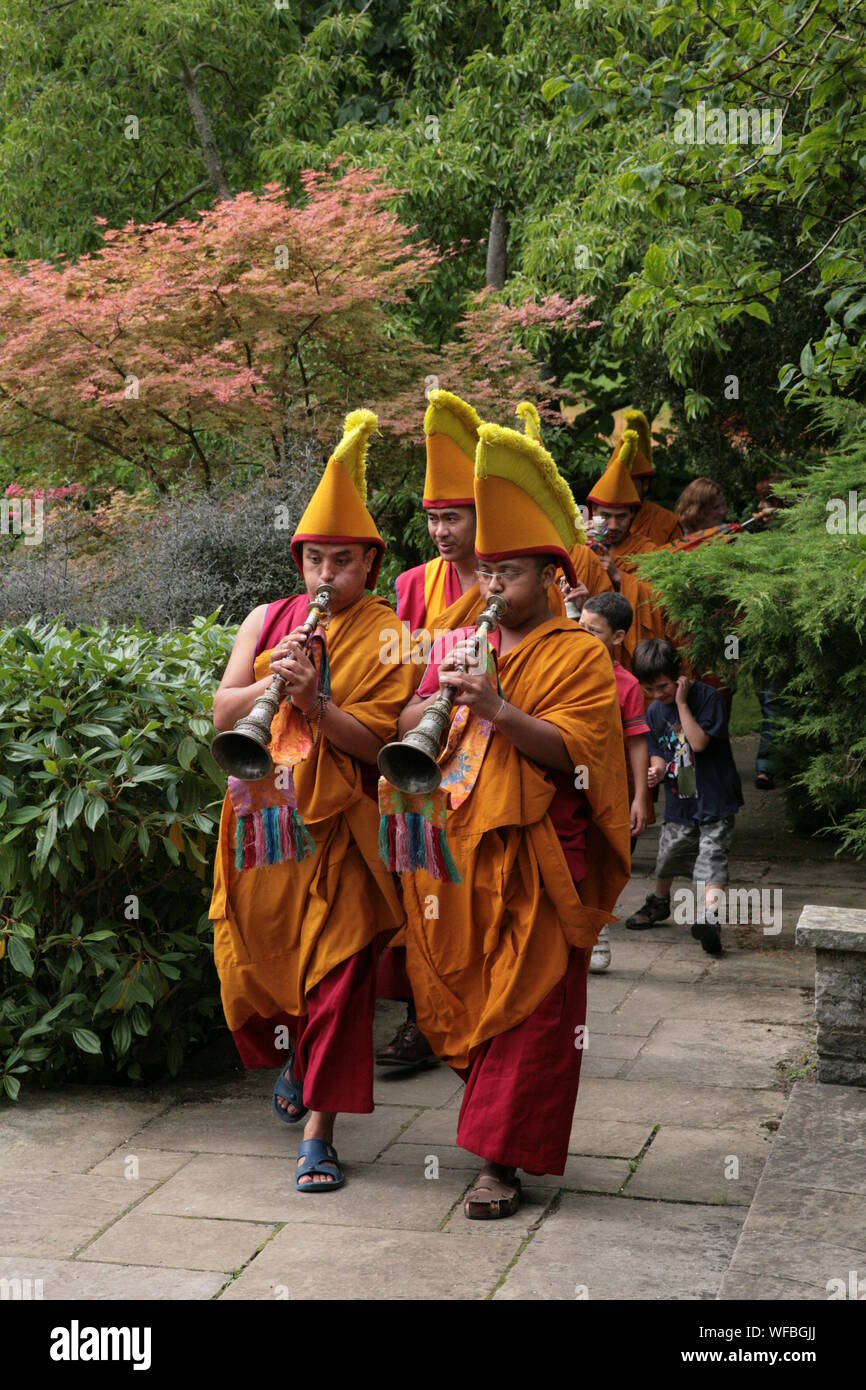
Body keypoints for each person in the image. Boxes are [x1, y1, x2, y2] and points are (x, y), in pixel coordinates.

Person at [386, 416, 630, 1218]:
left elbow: (580, 757)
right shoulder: (457, 637)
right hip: (457, 856)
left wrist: (496, 706)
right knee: (465, 996)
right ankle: (494, 1132)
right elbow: (408, 732)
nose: (493, 588)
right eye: (486, 573)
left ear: (553, 577)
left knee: (530, 1012)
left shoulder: (578, 653)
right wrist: (434, 702)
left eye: (510, 573)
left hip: (537, 862)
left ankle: (500, 1163)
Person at [209, 410, 416, 1193]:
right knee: (268, 967)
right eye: (315, 560)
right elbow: (222, 713)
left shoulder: (390, 633)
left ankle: (320, 1136)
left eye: (344, 560)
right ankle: (294, 1057)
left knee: (337, 977)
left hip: (341, 835)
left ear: (370, 562)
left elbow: (380, 746)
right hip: (264, 825)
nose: (327, 575)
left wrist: (319, 703)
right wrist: (276, 683)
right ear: (298, 562)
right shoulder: (266, 620)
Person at [377, 389, 484, 1070]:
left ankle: (475, 1007)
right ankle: (422, 1018)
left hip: (485, 752)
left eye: (454, 516)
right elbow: (401, 672)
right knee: (419, 884)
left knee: (473, 889)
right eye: (435, 519)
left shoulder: (511, 579)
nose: (443, 532)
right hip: (421, 748)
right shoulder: (414, 585)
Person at [625, 638, 744, 956]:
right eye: (648, 688)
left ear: (679, 675)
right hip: (681, 797)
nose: (657, 695)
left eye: (663, 686)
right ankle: (660, 902)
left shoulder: (707, 699)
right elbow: (659, 754)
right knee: (668, 856)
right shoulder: (652, 711)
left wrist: (680, 704)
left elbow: (699, 742)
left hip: (715, 796)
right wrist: (657, 772)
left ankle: (710, 918)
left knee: (711, 856)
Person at [578, 593, 651, 972]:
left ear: (618, 637)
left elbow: (637, 742)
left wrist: (641, 797)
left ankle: (600, 929)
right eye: (581, 627)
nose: (583, 636)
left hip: (611, 792)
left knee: (605, 862)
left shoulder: (627, 686)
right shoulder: (564, 670)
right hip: (570, 785)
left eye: (594, 632)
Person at [578, 430, 667, 671]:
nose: (614, 526)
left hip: (630, 658)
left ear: (632, 516)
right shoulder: (577, 547)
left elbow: (660, 604)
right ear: (592, 512)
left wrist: (619, 577)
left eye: (622, 517)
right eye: (605, 516)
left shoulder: (647, 550)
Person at [620, 408, 683, 547]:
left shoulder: (667, 523)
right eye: (618, 484)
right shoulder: (596, 523)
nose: (623, 491)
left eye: (630, 483)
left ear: (645, 484)